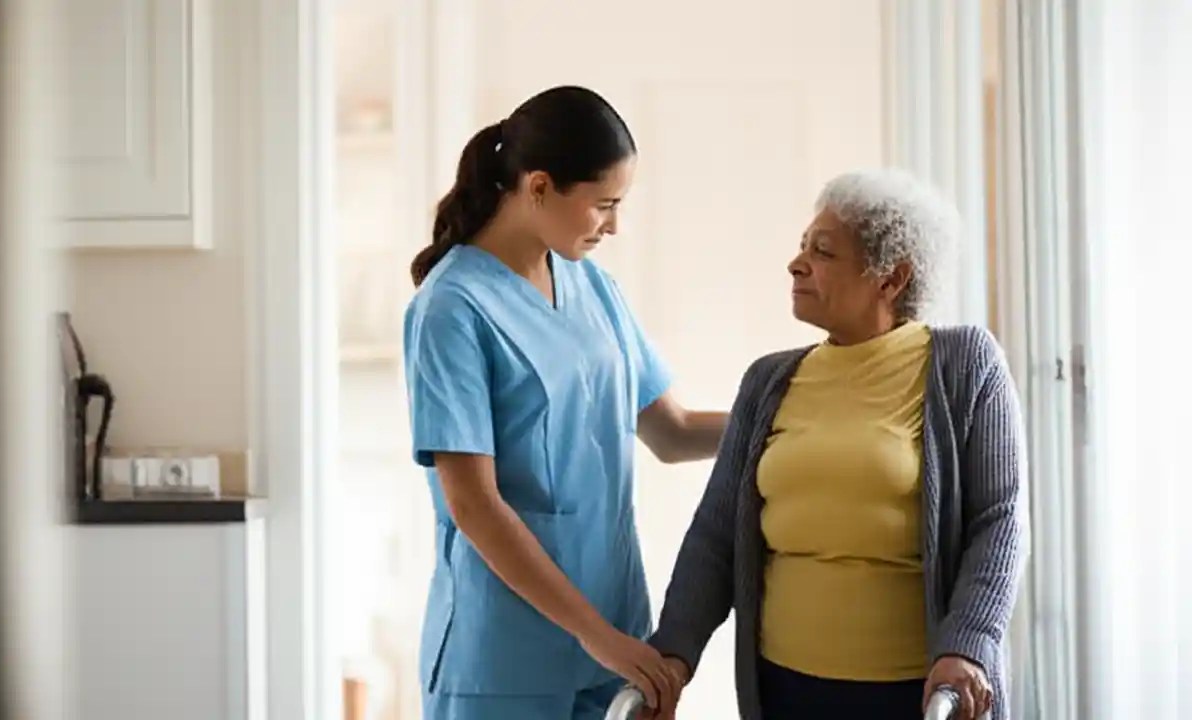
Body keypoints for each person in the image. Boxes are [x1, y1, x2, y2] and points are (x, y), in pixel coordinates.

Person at [645, 169, 1028, 720]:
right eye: (802, 247)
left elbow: (999, 520)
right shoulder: (769, 379)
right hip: (785, 686)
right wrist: (675, 651)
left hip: (916, 690)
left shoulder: (964, 363)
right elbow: (716, 532)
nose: (796, 263)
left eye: (822, 252)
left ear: (890, 279)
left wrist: (969, 644)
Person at [403, 85, 728, 720]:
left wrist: (793, 414)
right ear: (540, 187)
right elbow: (474, 505)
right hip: (505, 660)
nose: (614, 225)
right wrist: (595, 636)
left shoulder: (593, 287)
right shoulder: (451, 310)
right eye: (603, 205)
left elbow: (672, 431)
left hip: (616, 638)